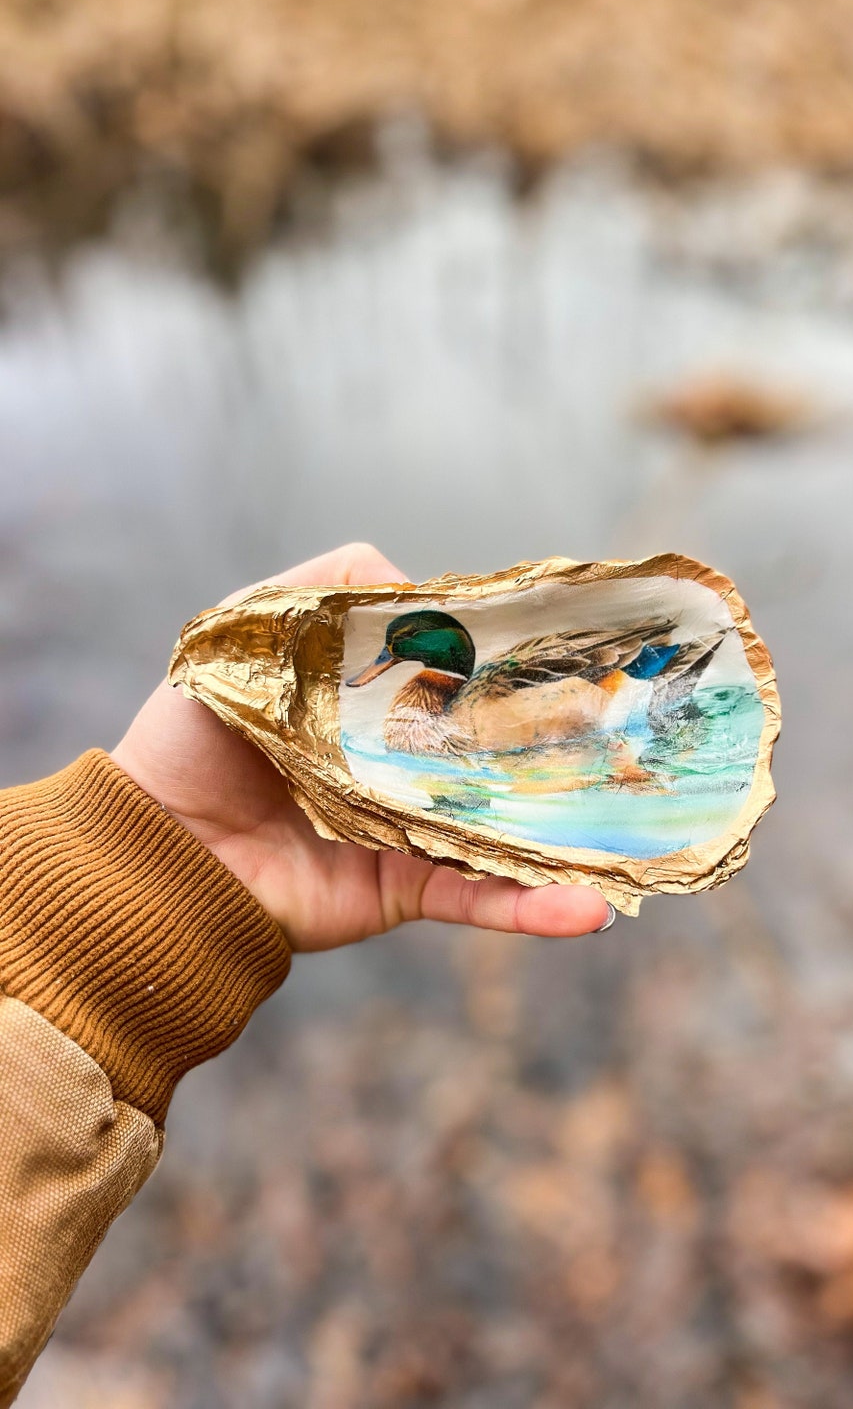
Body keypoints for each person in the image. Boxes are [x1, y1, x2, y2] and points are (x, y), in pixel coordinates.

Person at [0, 543, 611, 1407]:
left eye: (402, 651)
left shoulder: (459, 710)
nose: (387, 668)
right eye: (392, 650)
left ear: (439, 655)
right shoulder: (423, 723)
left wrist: (146, 846)